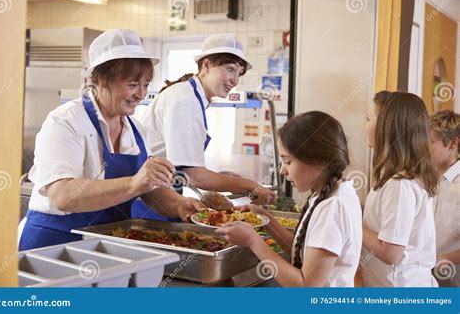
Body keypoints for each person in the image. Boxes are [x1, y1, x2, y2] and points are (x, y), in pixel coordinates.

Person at [19, 29, 203, 251]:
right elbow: (62, 195)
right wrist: (133, 182)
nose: (141, 94)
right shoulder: (65, 121)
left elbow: (148, 188)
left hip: (107, 243)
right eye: (133, 84)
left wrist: (179, 205)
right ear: (103, 80)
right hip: (56, 242)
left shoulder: (136, 129)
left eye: (145, 85)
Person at [134, 33, 275, 217]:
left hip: (166, 195)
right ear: (206, 65)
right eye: (230, 69)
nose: (235, 80)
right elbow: (196, 176)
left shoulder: (193, 97)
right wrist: (251, 185)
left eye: (239, 73)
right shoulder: (185, 100)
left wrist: (222, 177)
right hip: (153, 203)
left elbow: (184, 168)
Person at [215, 111, 362, 287]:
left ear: (318, 160)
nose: (283, 170)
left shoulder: (333, 207)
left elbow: (305, 286)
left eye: (288, 161)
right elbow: (301, 250)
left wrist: (253, 241)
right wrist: (266, 220)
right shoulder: (327, 194)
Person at [361, 91, 439, 287]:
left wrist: (353, 220)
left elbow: (391, 254)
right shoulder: (394, 177)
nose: (365, 126)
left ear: (387, 129)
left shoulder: (400, 184)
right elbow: (382, 223)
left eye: (368, 118)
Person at [430, 110, 459, 287]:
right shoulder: (424, 178)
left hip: (452, 281)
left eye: (431, 142)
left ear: (453, 143)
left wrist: (442, 258)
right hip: (424, 277)